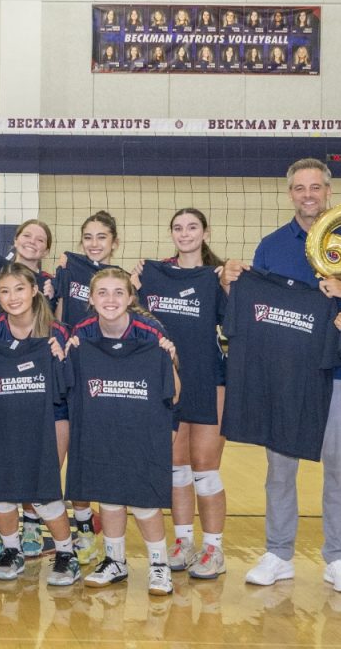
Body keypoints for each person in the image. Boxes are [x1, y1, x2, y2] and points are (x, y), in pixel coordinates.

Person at [222, 157, 341, 593]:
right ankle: (278, 553)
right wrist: (232, 279)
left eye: (316, 187)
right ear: (290, 193)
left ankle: (339, 558)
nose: (308, 194)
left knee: (338, 470)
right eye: (300, 188)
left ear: (329, 193)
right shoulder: (272, 246)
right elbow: (255, 307)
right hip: (284, 376)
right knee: (279, 470)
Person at [63, 268, 180, 595]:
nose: (110, 299)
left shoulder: (150, 331)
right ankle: (115, 560)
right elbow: (68, 383)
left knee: (143, 499)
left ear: (130, 298)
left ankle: (159, 565)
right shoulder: (83, 333)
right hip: (102, 424)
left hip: (145, 425)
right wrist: (64, 353)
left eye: (118, 292)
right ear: (90, 298)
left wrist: (169, 359)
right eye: (102, 292)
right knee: (109, 493)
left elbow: (174, 392)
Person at [134, 209, 230, 580]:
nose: (185, 233)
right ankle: (184, 542)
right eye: (178, 227)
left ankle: (214, 548)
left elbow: (234, 324)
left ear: (205, 232)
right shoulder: (154, 274)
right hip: (168, 381)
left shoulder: (216, 277)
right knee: (176, 470)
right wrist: (136, 278)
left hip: (210, 379)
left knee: (206, 471)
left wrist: (229, 285)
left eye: (192, 227)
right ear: (170, 233)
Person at [0, 263, 78, 583]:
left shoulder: (56, 331)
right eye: (4, 291)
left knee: (43, 489)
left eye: (19, 288)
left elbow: (70, 382)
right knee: (0, 487)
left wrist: (63, 357)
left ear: (34, 290)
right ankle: (11, 550)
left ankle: (66, 554)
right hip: (4, 415)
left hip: (52, 414)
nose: (12, 296)